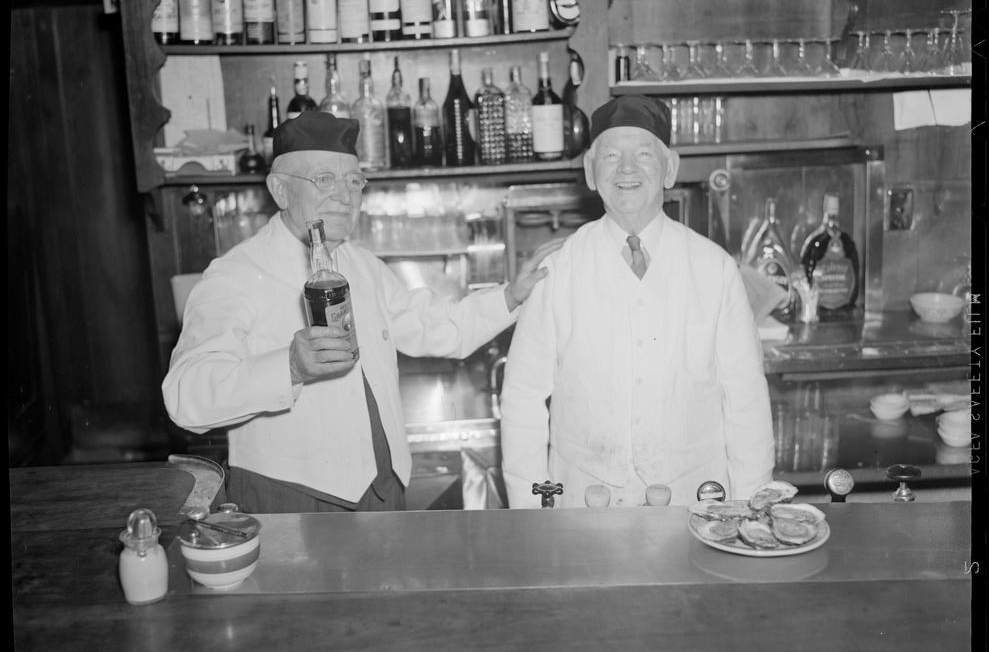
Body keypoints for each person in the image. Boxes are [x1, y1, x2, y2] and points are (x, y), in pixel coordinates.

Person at [162, 111, 560, 514]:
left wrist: (511, 295)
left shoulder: (361, 264)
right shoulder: (236, 275)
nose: (345, 195)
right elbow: (185, 397)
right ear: (280, 190)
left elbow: (434, 325)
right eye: (324, 179)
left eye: (354, 181)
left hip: (383, 492)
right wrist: (289, 368)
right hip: (293, 500)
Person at [499, 95, 775, 508]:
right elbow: (523, 399)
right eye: (610, 155)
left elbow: (746, 399)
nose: (627, 168)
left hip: (696, 502)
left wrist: (752, 506)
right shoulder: (558, 270)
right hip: (582, 503)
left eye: (644, 153)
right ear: (590, 172)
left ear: (670, 169)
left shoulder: (714, 268)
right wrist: (531, 510)